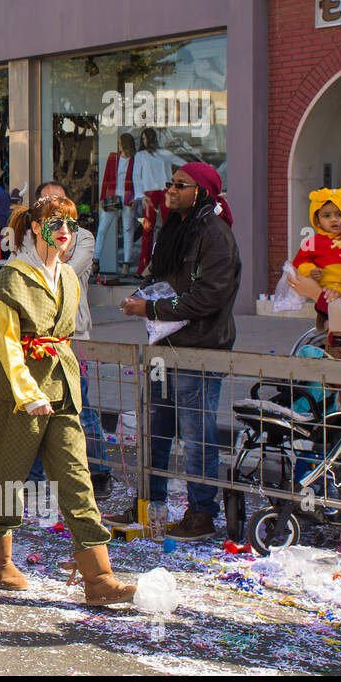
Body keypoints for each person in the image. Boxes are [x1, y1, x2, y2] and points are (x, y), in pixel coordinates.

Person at [0, 194, 135, 605]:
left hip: (63, 386)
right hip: (19, 391)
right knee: (6, 476)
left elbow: (65, 333)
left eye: (71, 221)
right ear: (34, 226)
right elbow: (7, 341)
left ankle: (98, 578)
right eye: (56, 221)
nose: (66, 229)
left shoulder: (67, 277)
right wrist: (27, 393)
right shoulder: (13, 276)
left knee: (76, 477)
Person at [111, 162, 239, 541]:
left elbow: (209, 297)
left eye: (180, 185)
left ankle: (201, 514)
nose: (170, 190)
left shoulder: (216, 236)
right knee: (155, 431)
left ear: (201, 192)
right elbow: (162, 278)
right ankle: (149, 506)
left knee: (197, 436)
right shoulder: (175, 228)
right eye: (170, 183)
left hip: (198, 349)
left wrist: (150, 308)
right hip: (163, 346)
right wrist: (144, 295)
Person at [25, 181, 110, 499]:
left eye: (61, 202)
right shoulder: (30, 238)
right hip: (37, 335)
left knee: (80, 405)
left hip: (73, 333)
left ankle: (99, 469)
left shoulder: (82, 238)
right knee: (36, 404)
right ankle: (33, 476)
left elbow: (64, 274)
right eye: (48, 203)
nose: (56, 208)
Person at [292, 186, 341, 358]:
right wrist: (311, 270)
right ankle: (336, 347)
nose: (334, 220)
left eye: (340, 214)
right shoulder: (313, 241)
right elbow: (300, 261)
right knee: (334, 321)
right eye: (326, 215)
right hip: (329, 288)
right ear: (317, 219)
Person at [131, 127, 188, 275]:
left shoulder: (163, 154)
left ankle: (170, 263)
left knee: (170, 226)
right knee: (147, 229)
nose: (144, 140)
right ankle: (144, 266)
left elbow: (182, 163)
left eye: (146, 137)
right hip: (149, 194)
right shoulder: (141, 155)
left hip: (164, 191)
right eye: (143, 138)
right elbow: (136, 176)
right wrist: (140, 196)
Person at [95, 132, 136, 283]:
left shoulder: (134, 160)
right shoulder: (114, 157)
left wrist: (135, 198)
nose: (118, 145)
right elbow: (106, 178)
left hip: (128, 199)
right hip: (112, 197)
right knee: (103, 228)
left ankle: (126, 264)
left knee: (127, 230)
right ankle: (95, 260)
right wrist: (102, 198)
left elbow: (137, 179)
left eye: (120, 142)